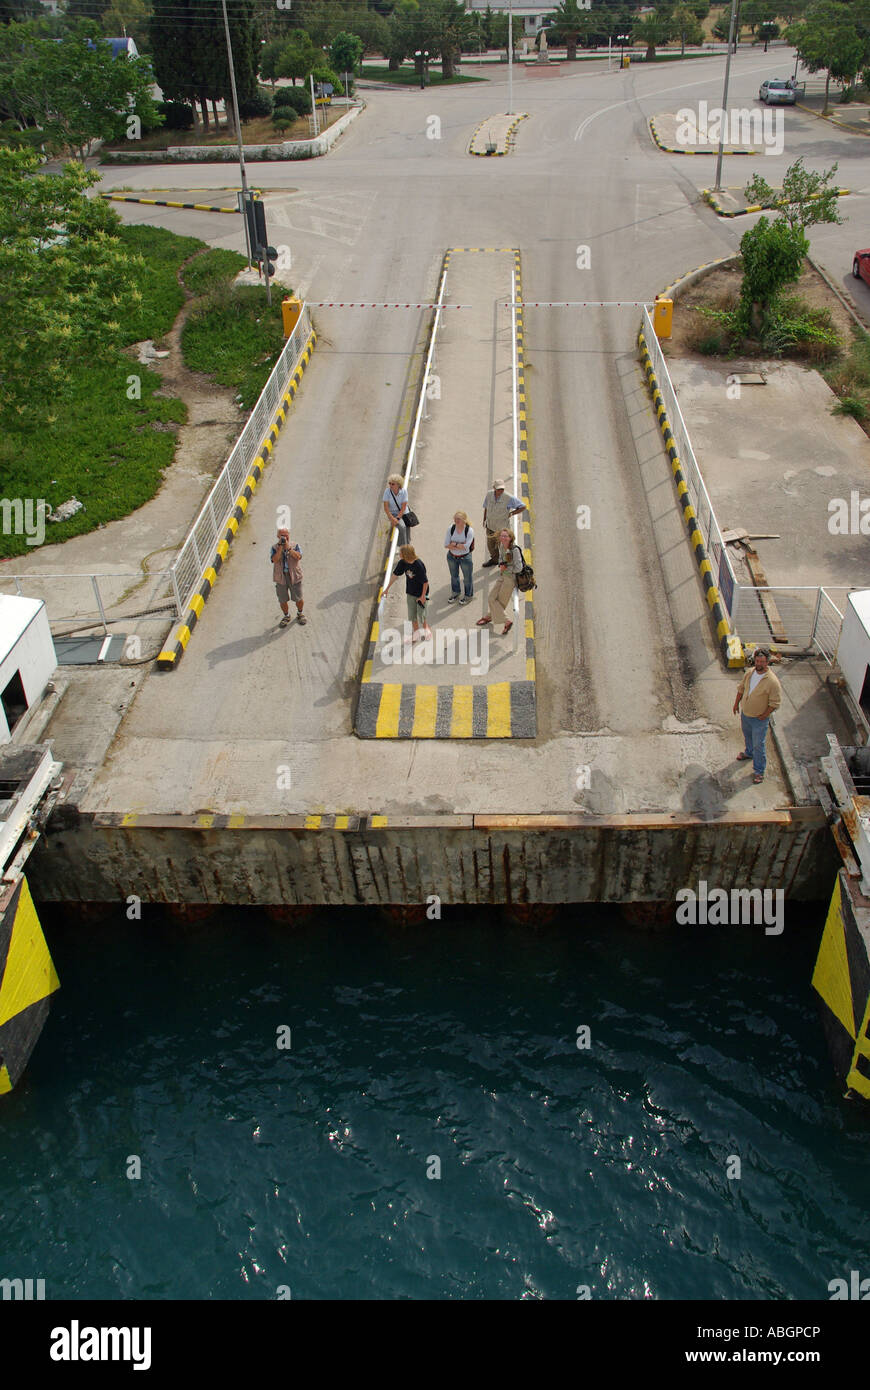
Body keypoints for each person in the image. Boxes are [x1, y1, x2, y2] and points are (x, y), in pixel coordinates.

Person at [732, 646, 782, 783]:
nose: (759, 664)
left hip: (759, 719)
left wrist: (764, 715)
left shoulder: (772, 682)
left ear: (767, 662)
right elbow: (741, 689)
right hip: (746, 714)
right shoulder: (749, 673)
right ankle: (749, 753)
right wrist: (736, 704)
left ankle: (759, 771)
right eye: (757, 661)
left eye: (762, 662)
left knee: (759, 745)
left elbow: (775, 703)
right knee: (748, 736)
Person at [476, 528, 522, 636]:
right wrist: (501, 565)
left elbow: (519, 567)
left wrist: (507, 569)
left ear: (510, 538)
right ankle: (506, 621)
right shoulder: (501, 546)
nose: (503, 538)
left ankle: (489, 617)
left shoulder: (515, 550)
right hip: (503, 576)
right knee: (491, 598)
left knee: (500, 602)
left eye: (506, 536)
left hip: (510, 579)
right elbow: (501, 559)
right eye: (502, 536)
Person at [382, 543, 430, 639]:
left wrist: (423, 596)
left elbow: (425, 582)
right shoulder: (402, 563)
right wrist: (386, 589)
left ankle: (426, 628)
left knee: (421, 614)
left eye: (400, 553)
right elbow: (395, 576)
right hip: (410, 592)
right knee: (412, 615)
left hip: (421, 593)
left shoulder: (419, 565)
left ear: (406, 554)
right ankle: (416, 633)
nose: (399, 554)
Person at [482, 478, 526, 565]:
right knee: (491, 546)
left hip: (502, 529)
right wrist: (484, 520)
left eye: (502, 489)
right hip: (490, 526)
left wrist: (512, 513)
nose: (500, 491)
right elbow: (486, 507)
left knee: (505, 547)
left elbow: (522, 506)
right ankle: (494, 560)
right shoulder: (489, 494)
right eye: (498, 489)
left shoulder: (508, 498)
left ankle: (507, 563)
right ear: (494, 488)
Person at [270, 528, 306, 626]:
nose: (284, 537)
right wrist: (281, 548)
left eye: (286, 535)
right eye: (282, 535)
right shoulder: (274, 548)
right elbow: (274, 559)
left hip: (294, 576)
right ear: (278, 536)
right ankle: (286, 616)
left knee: (299, 598)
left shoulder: (295, 545)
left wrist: (289, 548)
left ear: (289, 535)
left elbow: (298, 557)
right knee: (282, 599)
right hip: (281, 577)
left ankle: (300, 613)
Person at [444, 510, 474, 604]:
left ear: (464, 520)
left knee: (467, 578)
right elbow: (446, 545)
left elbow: (466, 547)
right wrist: (459, 545)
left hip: (465, 558)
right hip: (451, 557)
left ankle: (468, 596)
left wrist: (454, 544)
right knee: (454, 576)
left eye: (459, 519)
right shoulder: (451, 528)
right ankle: (456, 592)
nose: (456, 521)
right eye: (455, 518)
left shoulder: (469, 530)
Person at [383, 474, 410, 547]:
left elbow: (403, 507)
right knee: (402, 527)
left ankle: (407, 544)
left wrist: (398, 518)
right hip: (393, 513)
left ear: (398, 484)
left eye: (393, 484)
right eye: (389, 483)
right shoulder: (387, 492)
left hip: (403, 512)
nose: (390, 485)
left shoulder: (404, 492)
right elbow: (386, 508)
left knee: (407, 527)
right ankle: (403, 546)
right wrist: (392, 519)